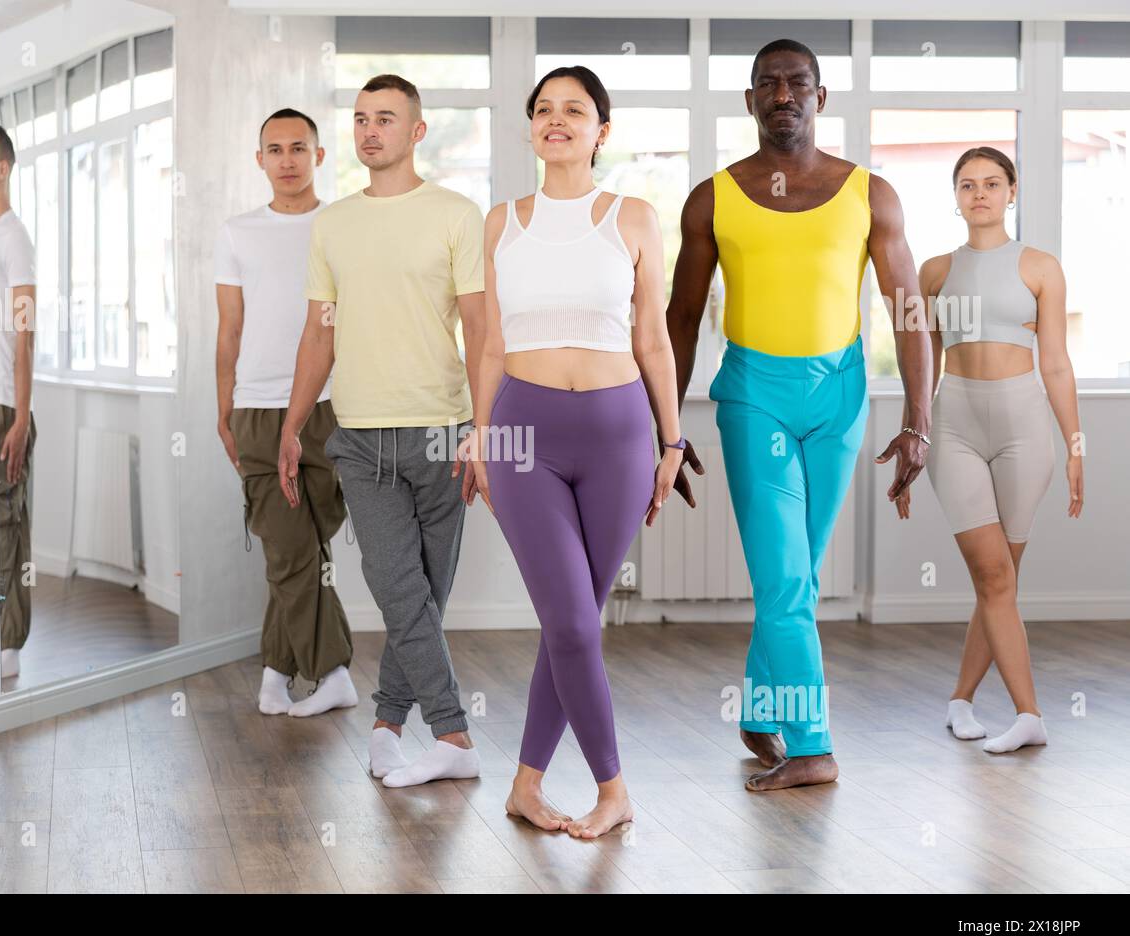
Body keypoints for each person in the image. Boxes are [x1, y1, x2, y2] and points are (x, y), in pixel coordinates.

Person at [666, 39, 933, 790]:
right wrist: (663, 425)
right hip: (754, 399)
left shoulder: (870, 193)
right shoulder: (711, 198)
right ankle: (813, 746)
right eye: (767, 84)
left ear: (821, 97)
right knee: (784, 580)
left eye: (798, 83)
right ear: (749, 101)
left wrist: (919, 418)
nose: (783, 94)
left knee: (798, 577)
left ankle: (763, 704)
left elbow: (908, 310)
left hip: (840, 398)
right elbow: (679, 320)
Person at [467, 67, 683, 838]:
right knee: (573, 624)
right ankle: (613, 787)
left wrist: (672, 439)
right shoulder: (502, 223)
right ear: (530, 127)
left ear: (602, 131)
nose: (557, 121)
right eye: (544, 110)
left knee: (576, 623)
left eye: (576, 110)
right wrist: (479, 431)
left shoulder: (632, 218)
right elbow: (492, 344)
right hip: (523, 432)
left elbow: (653, 338)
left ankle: (526, 785)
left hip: (620, 432)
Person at [281, 75, 485, 787]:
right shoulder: (332, 223)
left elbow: (484, 336)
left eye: (387, 119)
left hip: (441, 432)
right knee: (397, 584)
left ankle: (387, 724)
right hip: (360, 434)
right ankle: (456, 737)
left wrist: (484, 430)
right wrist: (292, 423)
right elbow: (318, 335)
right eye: (362, 119)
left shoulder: (458, 215)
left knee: (423, 594)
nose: (371, 131)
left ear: (418, 131)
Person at [910, 147, 1084, 754]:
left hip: (1025, 427)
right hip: (954, 424)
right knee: (992, 574)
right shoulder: (933, 272)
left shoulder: (1040, 267)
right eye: (966, 185)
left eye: (991, 183)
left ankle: (961, 699)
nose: (978, 193)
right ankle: (1029, 713)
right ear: (955, 197)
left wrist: (1075, 445)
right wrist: (913, 437)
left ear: (1012, 191)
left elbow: (1057, 362)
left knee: (1000, 581)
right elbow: (923, 364)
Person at [216, 108, 355, 717]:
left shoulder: (344, 224)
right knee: (289, 548)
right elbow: (230, 328)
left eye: (299, 148)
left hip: (330, 405)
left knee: (305, 543)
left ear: (319, 155)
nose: (288, 160)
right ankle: (334, 671)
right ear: (260, 160)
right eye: (275, 150)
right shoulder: (237, 232)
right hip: (257, 406)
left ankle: (276, 666)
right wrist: (225, 406)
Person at [0, 123, 37, 681]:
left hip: (8, 405)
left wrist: (22, 416)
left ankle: (11, 643)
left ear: (2, 170)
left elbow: (25, 333)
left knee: (9, 523)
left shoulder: (13, 238)